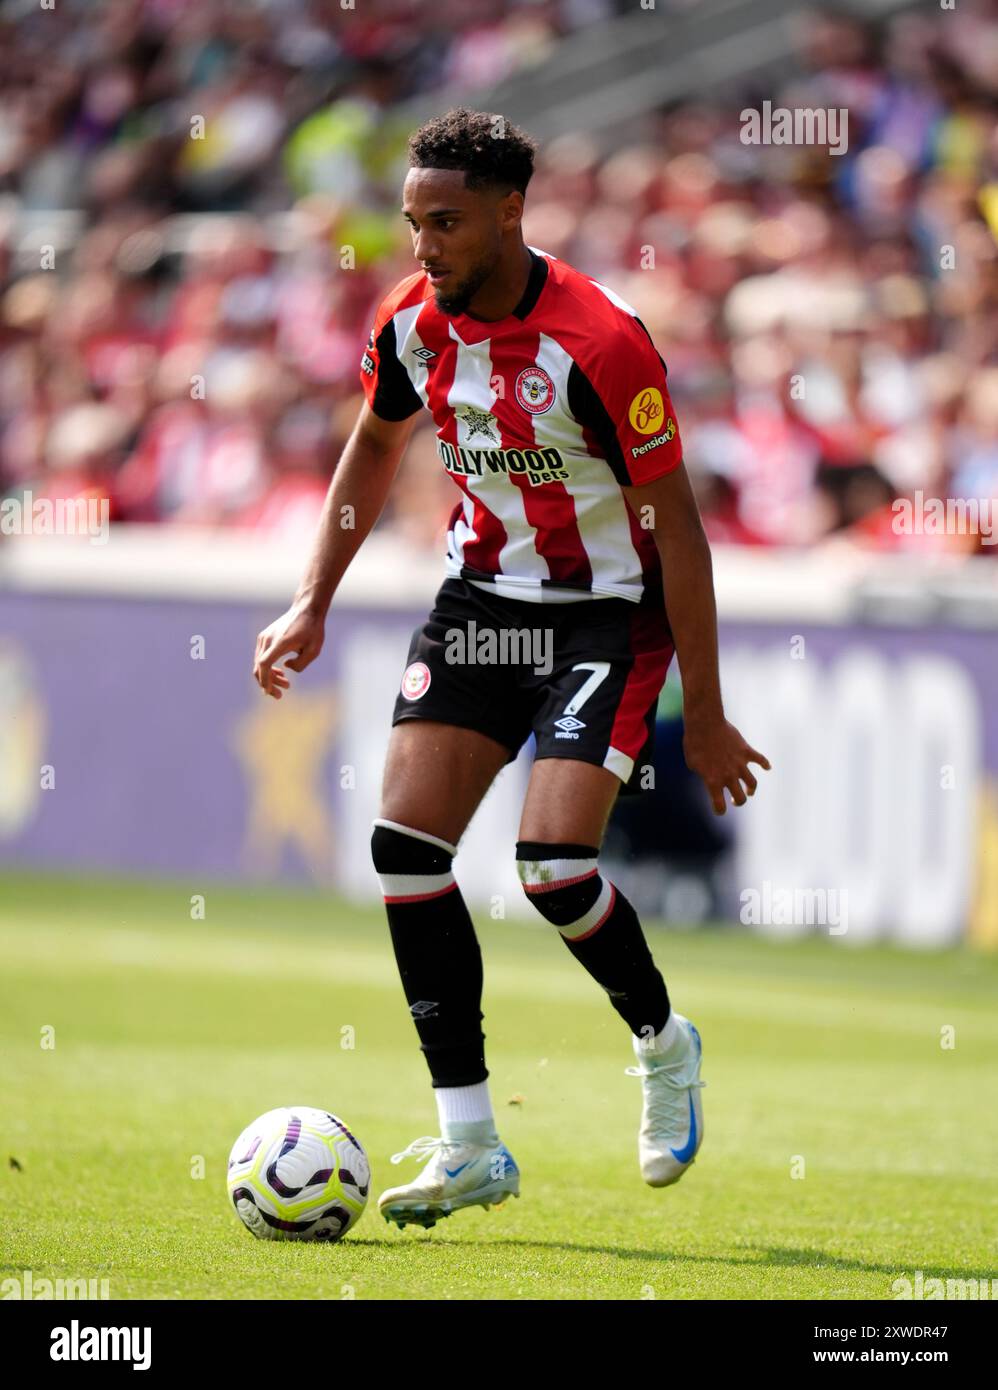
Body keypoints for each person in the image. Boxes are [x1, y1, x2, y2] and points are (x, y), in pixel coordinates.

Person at [253, 108, 770, 1230]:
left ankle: (663, 1042)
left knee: (549, 868)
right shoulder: (410, 325)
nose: (423, 246)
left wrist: (713, 716)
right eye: (409, 224)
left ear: (507, 213)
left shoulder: (603, 342)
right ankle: (469, 1142)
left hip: (604, 617)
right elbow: (376, 446)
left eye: (445, 223)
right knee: (403, 852)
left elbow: (678, 533)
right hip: (482, 603)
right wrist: (312, 599)